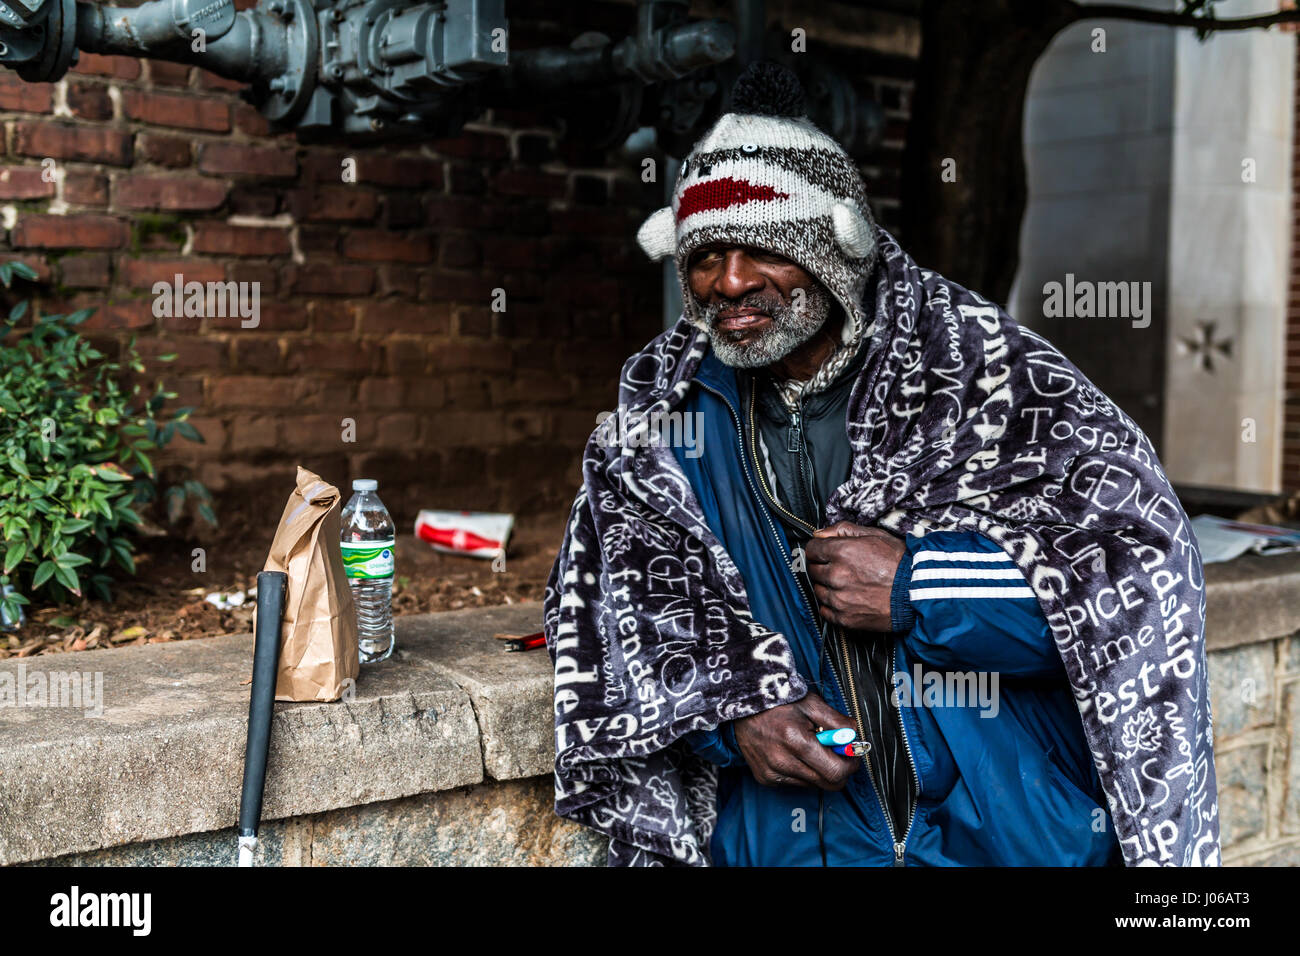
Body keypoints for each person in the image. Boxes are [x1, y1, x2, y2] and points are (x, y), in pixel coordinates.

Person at [543, 61, 1218, 867]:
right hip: (788, 842)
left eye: (761, 247)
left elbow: (1141, 582)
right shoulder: (659, 417)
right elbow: (600, 610)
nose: (729, 281)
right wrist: (733, 716)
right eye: (704, 255)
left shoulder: (983, 374)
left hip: (1003, 836)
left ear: (833, 249)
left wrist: (918, 587)